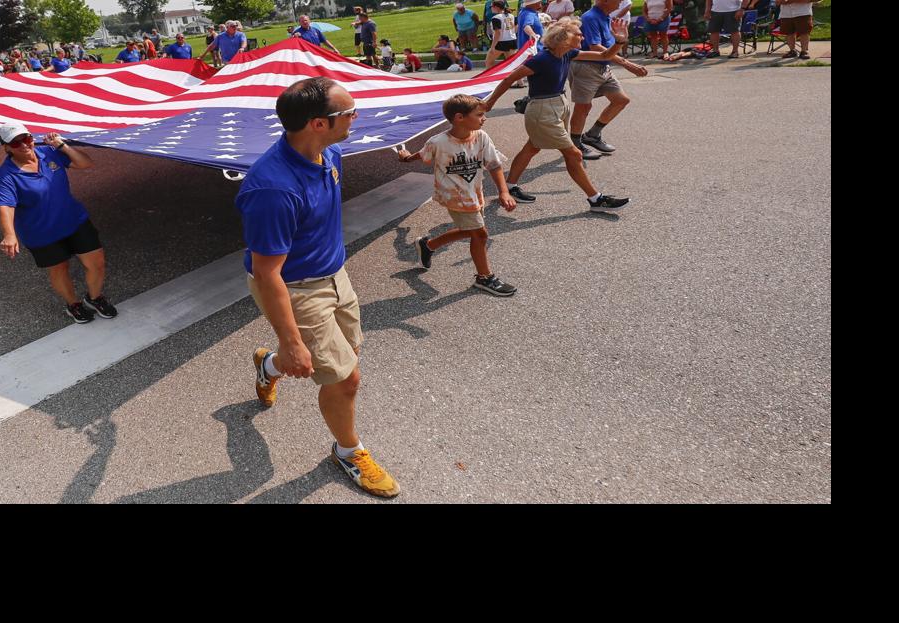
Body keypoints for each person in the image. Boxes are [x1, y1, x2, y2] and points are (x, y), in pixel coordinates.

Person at [239, 77, 401, 498]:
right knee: (345, 378)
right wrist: (291, 339)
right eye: (348, 112)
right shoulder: (272, 189)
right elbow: (267, 273)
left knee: (347, 358)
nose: (355, 117)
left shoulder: (331, 152)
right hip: (296, 289)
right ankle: (348, 452)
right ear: (317, 123)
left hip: (335, 276)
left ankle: (268, 366)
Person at [484, 19, 629, 212]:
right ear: (563, 38)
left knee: (532, 148)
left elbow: (604, 56)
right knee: (574, 154)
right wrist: (489, 104)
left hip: (558, 106)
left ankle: (509, 187)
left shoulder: (569, 53)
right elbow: (509, 79)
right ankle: (596, 199)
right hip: (543, 111)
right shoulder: (541, 60)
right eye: (578, 33)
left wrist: (618, 42)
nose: (582, 36)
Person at [0, 124, 114, 324]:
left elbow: (85, 163)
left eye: (27, 138)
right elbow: (5, 206)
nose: (24, 145)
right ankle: (73, 304)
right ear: (6, 147)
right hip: (42, 232)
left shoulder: (49, 152)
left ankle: (94, 298)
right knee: (59, 268)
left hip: (74, 220)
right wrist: (9, 234)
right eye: (16, 142)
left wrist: (62, 145)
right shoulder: (6, 176)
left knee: (96, 262)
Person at [398, 95, 517, 296]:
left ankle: (428, 245)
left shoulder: (481, 137)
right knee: (480, 234)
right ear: (460, 117)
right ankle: (484, 277)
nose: (484, 118)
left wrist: (503, 191)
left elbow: (494, 164)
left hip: (474, 193)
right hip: (455, 197)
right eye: (479, 114)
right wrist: (407, 158)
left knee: (470, 231)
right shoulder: (438, 142)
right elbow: (424, 153)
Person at [569, 0, 647, 158]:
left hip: (603, 67)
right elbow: (595, 47)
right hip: (586, 67)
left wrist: (621, 38)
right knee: (583, 107)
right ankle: (575, 145)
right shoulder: (590, 17)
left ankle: (592, 135)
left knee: (621, 100)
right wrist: (627, 63)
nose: (620, 1)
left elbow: (610, 44)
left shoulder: (605, 16)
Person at [484, 1, 519, 69]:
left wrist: (492, 46)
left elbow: (498, 33)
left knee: (489, 62)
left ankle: (492, 79)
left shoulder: (496, 18)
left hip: (501, 42)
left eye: (492, 7)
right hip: (512, 41)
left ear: (496, 7)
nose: (491, 8)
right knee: (513, 64)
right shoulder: (511, 15)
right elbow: (517, 26)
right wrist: (511, 33)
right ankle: (519, 80)